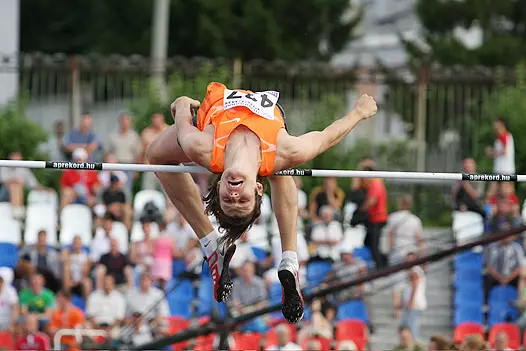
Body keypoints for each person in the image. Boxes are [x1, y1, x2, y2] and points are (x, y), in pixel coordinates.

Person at [145, 82, 377, 322]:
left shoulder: (201, 148)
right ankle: (289, 257)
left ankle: (210, 242)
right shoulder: (286, 151)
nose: (234, 195)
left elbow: (182, 120)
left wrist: (182, 104)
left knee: (154, 155)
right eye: (242, 200)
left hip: (216, 116)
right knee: (280, 165)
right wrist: (358, 113)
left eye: (227, 199)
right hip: (269, 142)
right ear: (257, 188)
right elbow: (326, 138)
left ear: (219, 183)